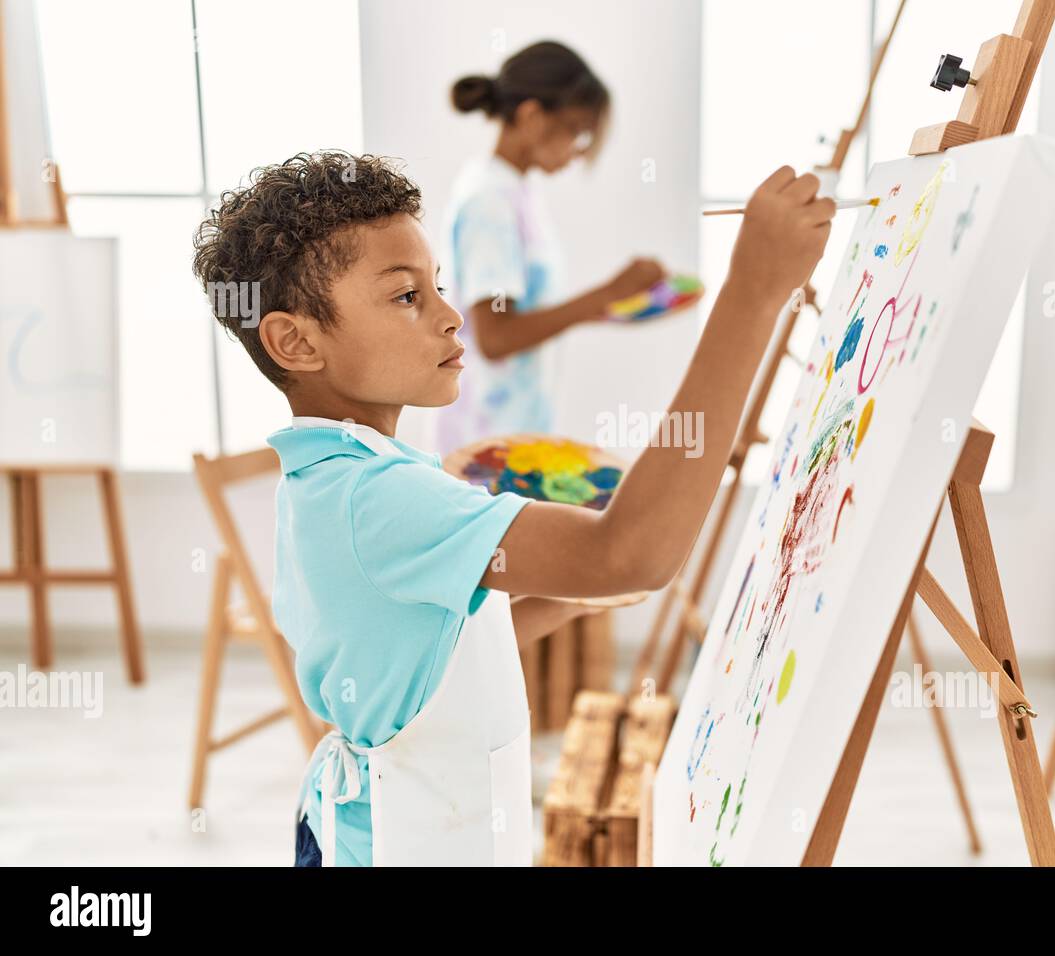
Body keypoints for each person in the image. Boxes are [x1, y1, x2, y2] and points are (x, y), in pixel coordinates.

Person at [191, 149, 832, 866]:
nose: (450, 316)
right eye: (406, 297)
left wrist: (572, 598)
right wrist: (752, 295)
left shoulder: (338, 474)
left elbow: (434, 664)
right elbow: (631, 553)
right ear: (295, 341)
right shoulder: (379, 497)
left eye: (437, 286)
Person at [439, 40, 665, 450]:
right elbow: (495, 337)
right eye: (576, 130)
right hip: (484, 445)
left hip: (516, 435)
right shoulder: (489, 200)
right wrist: (606, 296)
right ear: (531, 116)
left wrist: (616, 302)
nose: (578, 150)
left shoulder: (518, 191)